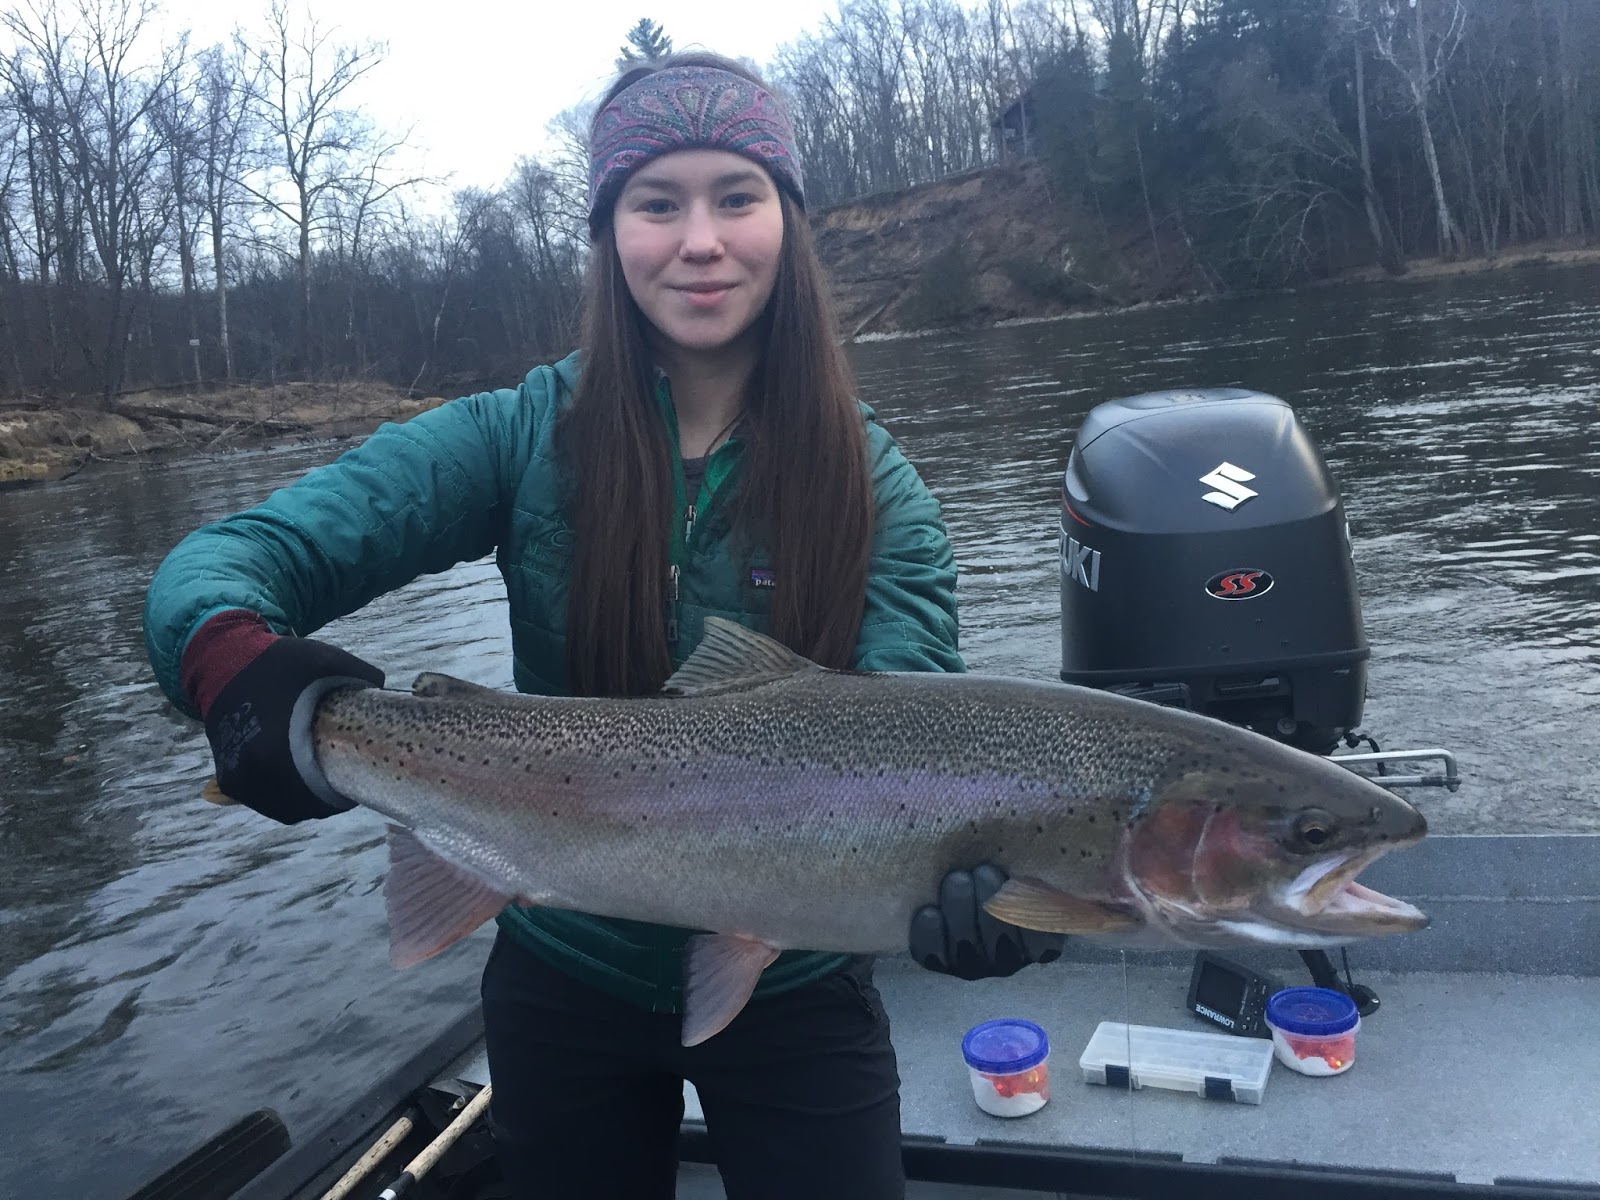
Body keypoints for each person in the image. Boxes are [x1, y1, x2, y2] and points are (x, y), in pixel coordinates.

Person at [143, 53, 1060, 1200]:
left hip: (799, 984)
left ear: (789, 222)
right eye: (656, 203)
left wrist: (993, 885)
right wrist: (235, 665)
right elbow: (220, 564)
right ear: (608, 234)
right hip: (559, 972)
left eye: (737, 196)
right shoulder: (516, 436)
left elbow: (919, 733)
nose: (700, 240)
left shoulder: (881, 490)